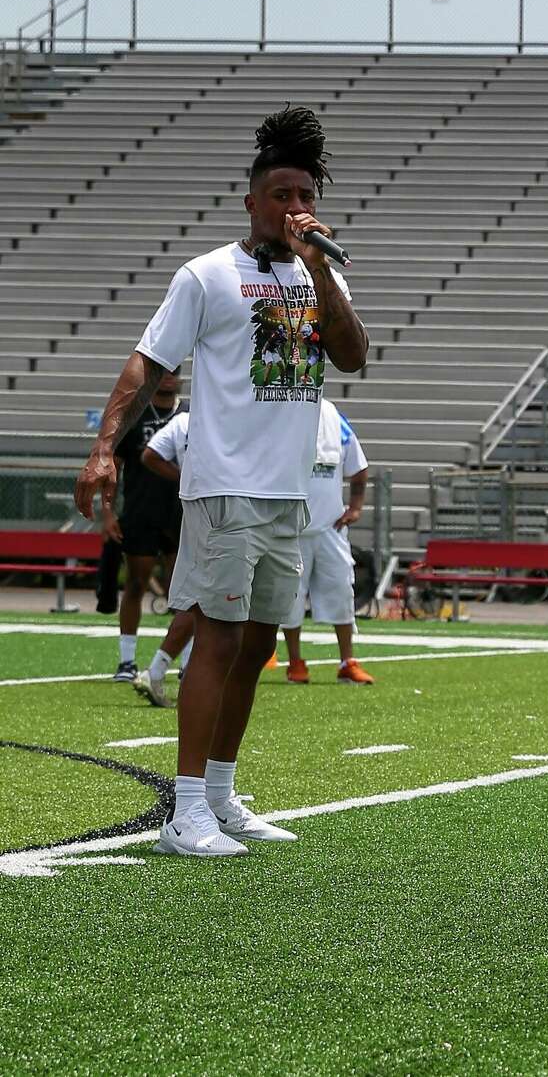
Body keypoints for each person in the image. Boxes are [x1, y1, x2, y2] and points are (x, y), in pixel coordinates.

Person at [74, 105, 369, 858]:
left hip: (287, 493)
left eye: (305, 195)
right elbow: (147, 362)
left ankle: (222, 794)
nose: (295, 208)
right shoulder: (207, 275)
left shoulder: (318, 276)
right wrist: (105, 446)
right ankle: (187, 812)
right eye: (280, 194)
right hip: (224, 487)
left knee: (257, 644)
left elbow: (353, 355)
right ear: (250, 201)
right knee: (218, 639)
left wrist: (318, 271)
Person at [276, 397, 374, 686]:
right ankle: (295, 662)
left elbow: (359, 467)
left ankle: (347, 662)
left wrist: (355, 507)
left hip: (330, 529)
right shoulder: (282, 411)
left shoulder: (333, 416)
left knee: (342, 593)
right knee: (291, 599)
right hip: (292, 529)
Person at [105, 369, 186, 681]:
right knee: (136, 584)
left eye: (175, 372)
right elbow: (114, 466)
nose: (169, 377)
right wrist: (109, 514)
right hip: (141, 508)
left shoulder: (190, 412)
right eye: (164, 372)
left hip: (181, 511)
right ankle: (127, 660)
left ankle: (186, 661)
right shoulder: (137, 414)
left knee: (182, 590)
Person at [134, 409, 196, 707]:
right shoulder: (198, 419)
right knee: (204, 600)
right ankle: (159, 670)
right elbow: (150, 455)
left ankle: (187, 669)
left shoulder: (183, 420)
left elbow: (151, 455)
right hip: (217, 513)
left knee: (205, 599)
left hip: (193, 510)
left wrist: (183, 476)